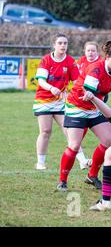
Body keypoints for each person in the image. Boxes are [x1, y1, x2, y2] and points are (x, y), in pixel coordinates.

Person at [57, 41, 111, 192]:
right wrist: (92, 95)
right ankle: (62, 181)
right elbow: (89, 92)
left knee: (109, 141)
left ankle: (92, 175)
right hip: (77, 106)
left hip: (95, 108)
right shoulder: (96, 68)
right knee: (74, 146)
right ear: (107, 57)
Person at [33, 34, 79, 170]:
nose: (63, 46)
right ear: (54, 45)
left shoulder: (71, 62)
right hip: (44, 100)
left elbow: (77, 82)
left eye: (65, 43)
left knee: (69, 130)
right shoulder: (46, 60)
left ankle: (82, 160)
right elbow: (41, 80)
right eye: (60, 43)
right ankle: (40, 162)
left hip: (60, 101)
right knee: (46, 131)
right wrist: (51, 88)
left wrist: (72, 94)